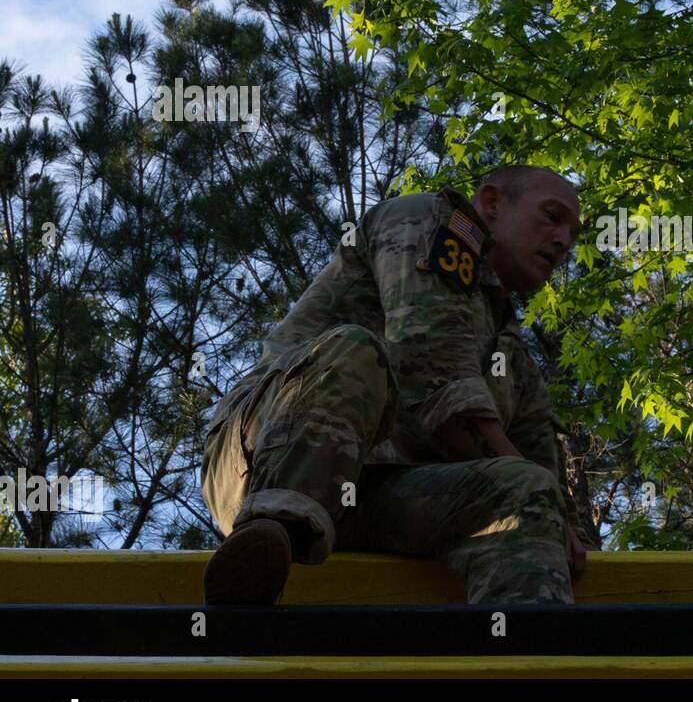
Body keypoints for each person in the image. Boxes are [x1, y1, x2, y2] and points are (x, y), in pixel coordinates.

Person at [200, 164, 596, 606]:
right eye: (552, 216)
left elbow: (541, 472)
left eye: (573, 235)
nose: (563, 241)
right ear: (491, 203)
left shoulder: (512, 358)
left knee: (523, 490)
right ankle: (271, 536)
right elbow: (431, 369)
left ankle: (527, 667)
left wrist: (549, 513)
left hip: (370, 499)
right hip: (267, 460)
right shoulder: (426, 223)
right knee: (355, 351)